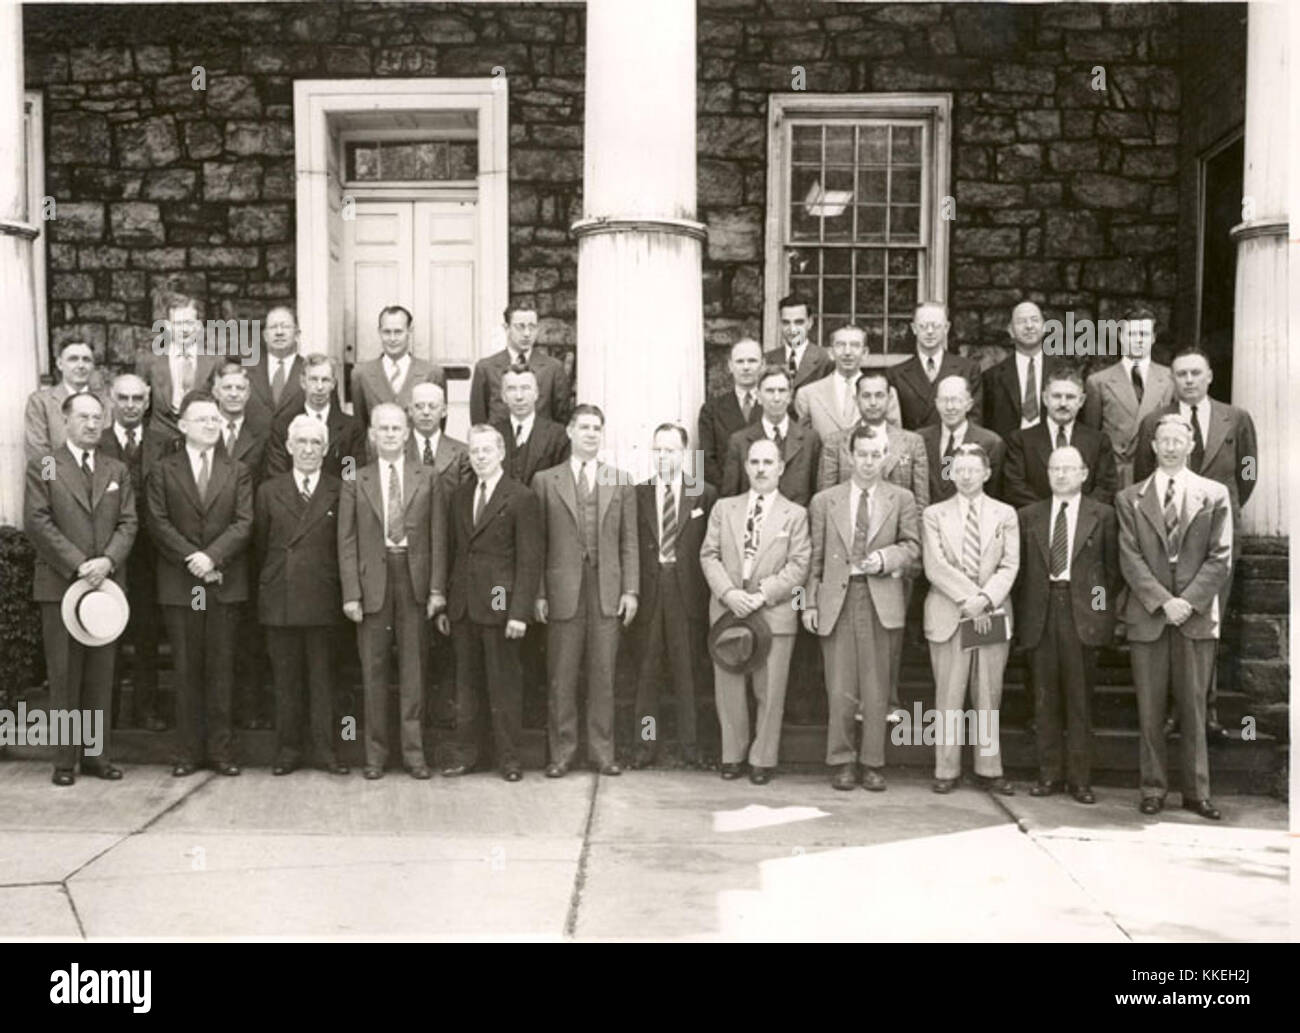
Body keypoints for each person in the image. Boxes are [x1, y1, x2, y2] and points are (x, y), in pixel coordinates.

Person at [1133, 348, 1257, 740]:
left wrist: (1223, 514)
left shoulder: (1236, 419)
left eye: (1195, 373)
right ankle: (1174, 709)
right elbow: (1142, 475)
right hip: (1168, 540)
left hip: (1215, 539)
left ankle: (1208, 709)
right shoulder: (1155, 422)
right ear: (1173, 379)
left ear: (1209, 376)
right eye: (1181, 374)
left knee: (1209, 623)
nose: (1188, 380)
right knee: (1170, 624)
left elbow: (1248, 473)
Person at [1118, 414, 1232, 820]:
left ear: (1190, 446)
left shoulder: (1214, 494)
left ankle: (1197, 792)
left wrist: (1187, 601)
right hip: (1150, 616)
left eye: (1176, 440)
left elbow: (1221, 557)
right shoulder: (1130, 497)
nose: (1169, 447)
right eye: (1162, 440)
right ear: (1152, 446)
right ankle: (1152, 788)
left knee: (1194, 706)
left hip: (1195, 616)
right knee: (1149, 709)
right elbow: (1129, 559)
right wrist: (1163, 601)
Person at [24, 392, 137, 785]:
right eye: (83, 417)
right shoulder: (48, 465)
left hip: (106, 586)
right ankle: (64, 761)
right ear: (66, 420)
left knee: (101, 675)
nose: (91, 424)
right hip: (61, 585)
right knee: (65, 675)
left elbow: (128, 522)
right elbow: (38, 521)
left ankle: (97, 756)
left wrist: (107, 561)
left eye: (97, 417)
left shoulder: (116, 470)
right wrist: (79, 563)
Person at [803, 426, 920, 792]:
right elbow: (814, 559)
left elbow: (914, 548)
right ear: (850, 456)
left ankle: (872, 762)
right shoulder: (825, 501)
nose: (869, 461)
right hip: (837, 598)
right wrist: (808, 602)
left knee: (876, 687)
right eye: (862, 454)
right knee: (840, 686)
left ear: (885, 457)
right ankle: (842, 760)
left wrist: (886, 558)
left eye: (876, 454)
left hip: (880, 597)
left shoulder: (901, 498)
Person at [146, 392, 253, 778]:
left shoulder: (237, 470)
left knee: (221, 667)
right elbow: (157, 522)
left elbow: (244, 521)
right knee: (187, 668)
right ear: (183, 426)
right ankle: (187, 753)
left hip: (223, 581)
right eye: (203, 419)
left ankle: (221, 752)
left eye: (215, 419)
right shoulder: (162, 470)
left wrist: (212, 557)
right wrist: (193, 557)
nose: (212, 425)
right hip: (183, 583)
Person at [337, 403, 445, 780]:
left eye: (396, 428)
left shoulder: (428, 476)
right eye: (382, 428)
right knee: (374, 671)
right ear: (371, 434)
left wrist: (436, 589)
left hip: (413, 580)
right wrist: (351, 593)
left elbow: (438, 537)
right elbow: (346, 539)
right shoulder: (355, 477)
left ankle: (414, 755)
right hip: (372, 584)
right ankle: (376, 756)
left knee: (414, 671)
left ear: (407, 431)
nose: (389, 434)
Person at [533, 405, 638, 777]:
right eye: (584, 427)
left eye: (597, 428)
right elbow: (539, 543)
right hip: (563, 588)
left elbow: (629, 542)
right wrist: (540, 593)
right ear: (570, 432)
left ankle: (602, 752)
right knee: (561, 674)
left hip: (606, 588)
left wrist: (631, 591)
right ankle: (561, 753)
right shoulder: (546, 481)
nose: (591, 434)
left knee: (603, 674)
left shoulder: (621, 480)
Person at [700, 438, 811, 784]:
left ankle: (763, 758)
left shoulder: (796, 514)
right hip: (728, 610)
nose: (761, 469)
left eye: (768, 462)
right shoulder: (724, 508)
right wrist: (729, 593)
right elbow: (709, 554)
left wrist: (762, 595)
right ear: (746, 466)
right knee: (729, 687)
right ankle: (732, 755)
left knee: (770, 689)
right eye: (755, 462)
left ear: (780, 468)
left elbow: (799, 565)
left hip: (772, 612)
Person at [438, 425, 543, 781]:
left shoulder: (520, 496)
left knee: (504, 686)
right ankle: (469, 755)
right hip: (464, 606)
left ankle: (509, 759)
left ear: (501, 453)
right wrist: (449, 604)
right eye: (474, 451)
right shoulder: (461, 495)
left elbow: (529, 560)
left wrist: (518, 613)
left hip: (500, 607)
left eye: (486, 450)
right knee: (466, 686)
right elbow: (456, 552)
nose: (480, 457)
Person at [1016, 446, 1120, 804]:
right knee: (1044, 699)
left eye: (1069, 468)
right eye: (1054, 468)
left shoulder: (1103, 515)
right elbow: (1022, 572)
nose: (1061, 475)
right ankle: (1048, 775)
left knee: (1079, 701)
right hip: (1041, 613)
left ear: (1084, 473)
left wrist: (1099, 614)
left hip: (1082, 616)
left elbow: (1110, 573)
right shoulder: (1028, 515)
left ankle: (1080, 780)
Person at [922, 444, 1019, 795]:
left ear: (986, 473)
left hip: (990, 611)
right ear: (950, 473)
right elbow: (935, 566)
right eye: (958, 469)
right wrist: (969, 597)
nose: (965, 476)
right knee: (949, 693)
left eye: (972, 470)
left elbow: (1010, 564)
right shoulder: (934, 514)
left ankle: (989, 768)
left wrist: (985, 599)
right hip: (950, 611)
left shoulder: (1005, 514)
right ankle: (946, 769)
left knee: (987, 692)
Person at [254, 415, 349, 776]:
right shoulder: (268, 490)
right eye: (302, 443)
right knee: (286, 680)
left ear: (325, 450)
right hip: (281, 597)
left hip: (323, 597)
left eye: (316, 444)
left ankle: (327, 751)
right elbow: (262, 546)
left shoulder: (340, 489)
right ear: (289, 447)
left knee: (324, 679)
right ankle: (288, 750)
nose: (309, 450)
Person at [631, 424, 717, 769]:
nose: (664, 456)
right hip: (652, 591)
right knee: (646, 674)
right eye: (658, 450)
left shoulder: (704, 493)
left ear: (684, 453)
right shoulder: (638, 492)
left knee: (688, 674)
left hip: (687, 592)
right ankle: (644, 745)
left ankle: (690, 745)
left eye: (670, 450)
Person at [97, 374, 166, 730]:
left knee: (147, 632)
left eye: (137, 398)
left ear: (148, 399)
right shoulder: (99, 442)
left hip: (151, 556)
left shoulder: (164, 442)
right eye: (123, 397)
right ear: (111, 398)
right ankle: (106, 712)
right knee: (105, 631)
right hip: (107, 553)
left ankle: (146, 708)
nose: (130, 405)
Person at [211, 362, 271, 731]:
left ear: (248, 395)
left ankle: (249, 709)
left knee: (248, 633)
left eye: (240, 389)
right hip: (205, 550)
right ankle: (217, 714)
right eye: (227, 387)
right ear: (215, 391)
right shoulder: (202, 429)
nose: (234, 394)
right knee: (213, 638)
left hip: (246, 547)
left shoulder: (261, 433)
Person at [1081, 305, 1175, 488]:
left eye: (1144, 335)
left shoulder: (1170, 379)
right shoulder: (1098, 382)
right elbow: (1092, 439)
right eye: (1132, 334)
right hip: (1117, 476)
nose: (1138, 340)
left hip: (1157, 473)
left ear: (1153, 338)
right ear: (1121, 336)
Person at [1003, 367, 1117, 509]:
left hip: (1085, 525)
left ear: (1081, 401)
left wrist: (1078, 514)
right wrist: (1050, 514)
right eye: (1056, 396)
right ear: (1045, 398)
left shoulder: (1098, 441)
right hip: (1037, 523)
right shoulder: (1021, 440)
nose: (1063, 403)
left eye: (1070, 397)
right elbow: (1015, 488)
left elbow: (1105, 487)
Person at [817, 370, 929, 503]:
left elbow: (921, 502)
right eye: (866, 396)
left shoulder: (913, 443)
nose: (873, 402)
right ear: (856, 399)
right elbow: (825, 501)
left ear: (889, 398)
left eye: (879, 395)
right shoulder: (834, 443)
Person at [142, 295, 221, 471]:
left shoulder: (214, 361)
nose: (184, 330)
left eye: (189, 323)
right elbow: (142, 409)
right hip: (158, 446)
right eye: (178, 324)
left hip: (200, 445)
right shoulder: (149, 361)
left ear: (199, 326)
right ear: (168, 327)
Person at [722, 365, 820, 506]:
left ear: (790, 396)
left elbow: (815, 494)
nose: (776, 398)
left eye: (782, 391)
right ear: (759, 396)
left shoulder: (810, 440)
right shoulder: (739, 441)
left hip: (795, 524)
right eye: (769, 391)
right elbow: (730, 499)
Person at [264, 354, 366, 480]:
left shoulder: (351, 429)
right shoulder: (283, 425)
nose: (319, 387)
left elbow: (351, 478)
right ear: (303, 382)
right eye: (313, 379)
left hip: (337, 498)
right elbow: (278, 476)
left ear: (333, 384)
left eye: (325, 380)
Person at [349, 305, 446, 434]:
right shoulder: (361, 374)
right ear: (379, 332)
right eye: (387, 332)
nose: (392, 339)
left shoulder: (432, 373)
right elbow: (360, 425)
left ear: (409, 331)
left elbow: (438, 426)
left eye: (398, 332)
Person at [887, 301, 983, 430]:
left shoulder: (968, 369)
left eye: (936, 326)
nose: (930, 331)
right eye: (923, 326)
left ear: (946, 328)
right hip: (914, 446)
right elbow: (893, 425)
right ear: (914, 328)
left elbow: (974, 421)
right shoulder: (896, 374)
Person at [469, 302, 569, 426]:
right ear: (506, 328)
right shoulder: (485, 368)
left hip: (541, 442)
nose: (527, 333)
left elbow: (561, 420)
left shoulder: (553, 368)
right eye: (520, 327)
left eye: (532, 327)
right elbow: (478, 421)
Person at [983, 300, 1065, 441]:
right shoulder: (992, 377)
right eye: (1021, 321)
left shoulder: (1063, 372)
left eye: (1034, 320)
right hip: (1008, 456)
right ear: (1011, 330)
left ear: (1045, 327)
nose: (1029, 326)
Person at [918, 374, 1006, 503]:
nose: (950, 407)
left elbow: (993, 493)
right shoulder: (919, 439)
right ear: (936, 403)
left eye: (957, 400)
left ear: (969, 404)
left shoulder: (991, 443)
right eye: (944, 400)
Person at [24, 341, 111, 461]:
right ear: (60, 364)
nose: (81, 366)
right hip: (57, 477)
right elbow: (39, 453)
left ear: (93, 366)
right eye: (73, 359)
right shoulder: (41, 402)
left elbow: (110, 451)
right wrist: (51, 478)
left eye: (86, 360)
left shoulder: (107, 403)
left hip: (99, 477)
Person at [697, 338, 763, 488]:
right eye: (740, 362)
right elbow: (706, 459)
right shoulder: (711, 410)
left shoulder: (773, 406)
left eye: (752, 361)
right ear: (730, 366)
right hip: (727, 495)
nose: (746, 367)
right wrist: (727, 491)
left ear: (762, 364)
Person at [493, 367, 571, 487]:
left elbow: (562, 485)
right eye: (512, 389)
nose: (519, 397)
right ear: (503, 396)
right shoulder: (493, 434)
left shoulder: (557, 435)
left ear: (536, 394)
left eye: (526, 388)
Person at [794, 324, 870, 444]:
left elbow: (896, 441)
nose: (847, 352)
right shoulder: (808, 394)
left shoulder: (885, 393)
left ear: (865, 353)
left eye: (855, 345)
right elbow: (804, 446)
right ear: (830, 352)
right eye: (840, 345)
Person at [245, 306, 306, 435]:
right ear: (265, 335)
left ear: (297, 334)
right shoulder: (246, 371)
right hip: (255, 452)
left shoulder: (311, 372)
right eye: (273, 327)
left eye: (285, 327)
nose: (279, 332)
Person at [764, 295, 832, 405]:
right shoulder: (767, 359)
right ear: (780, 324)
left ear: (810, 323)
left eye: (799, 322)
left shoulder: (824, 358)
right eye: (786, 323)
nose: (792, 329)